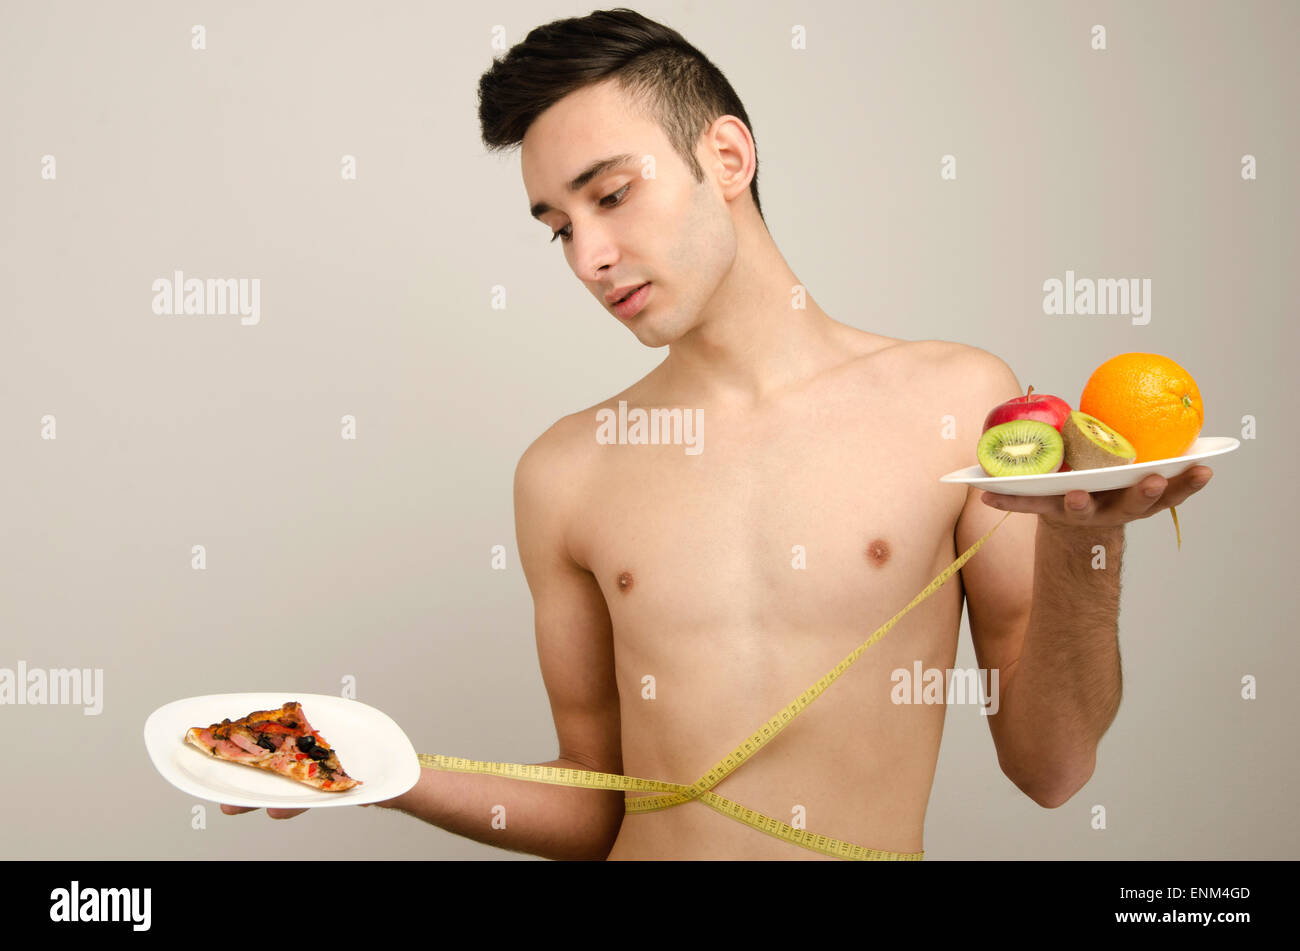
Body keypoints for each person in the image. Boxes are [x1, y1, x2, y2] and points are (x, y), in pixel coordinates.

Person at [224, 7, 1212, 860]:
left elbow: (1052, 767)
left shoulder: (955, 401)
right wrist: (374, 770)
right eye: (557, 226)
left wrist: (1094, 542)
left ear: (727, 157)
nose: (589, 256)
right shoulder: (563, 474)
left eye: (610, 195)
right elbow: (593, 804)